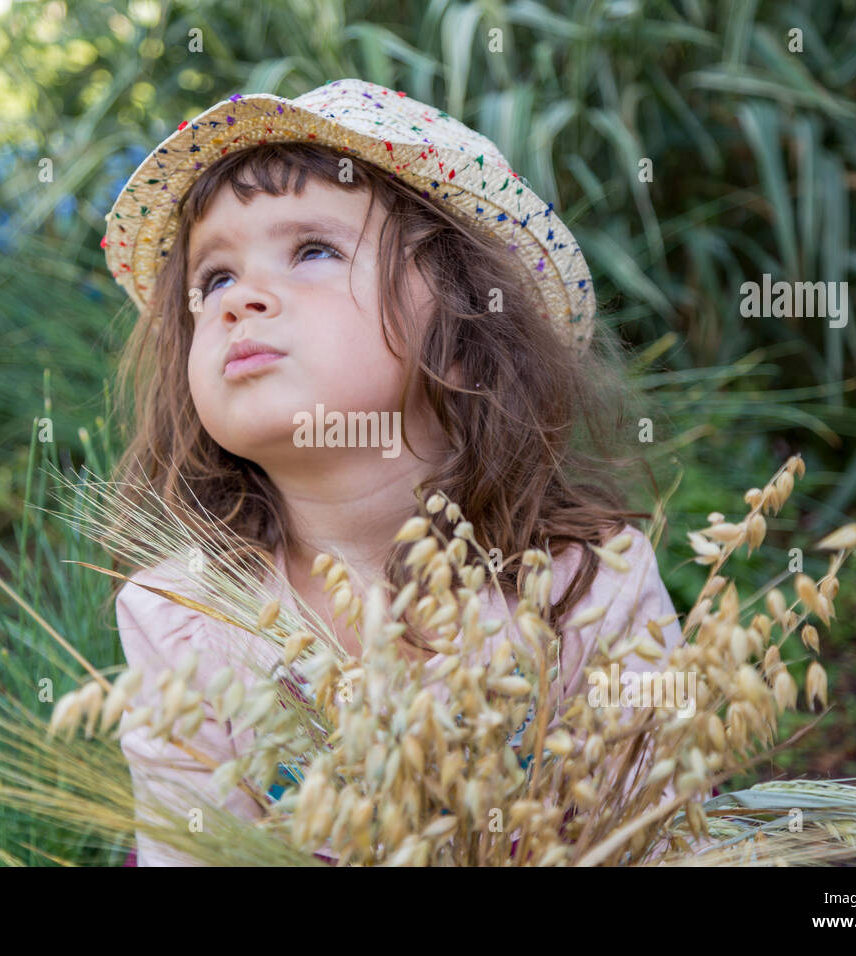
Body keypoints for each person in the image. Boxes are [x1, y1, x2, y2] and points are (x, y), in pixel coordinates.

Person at [100, 78, 685, 866]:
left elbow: (659, 840)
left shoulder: (590, 587)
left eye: (311, 250)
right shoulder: (185, 617)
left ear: (459, 318)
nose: (241, 301)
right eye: (215, 281)